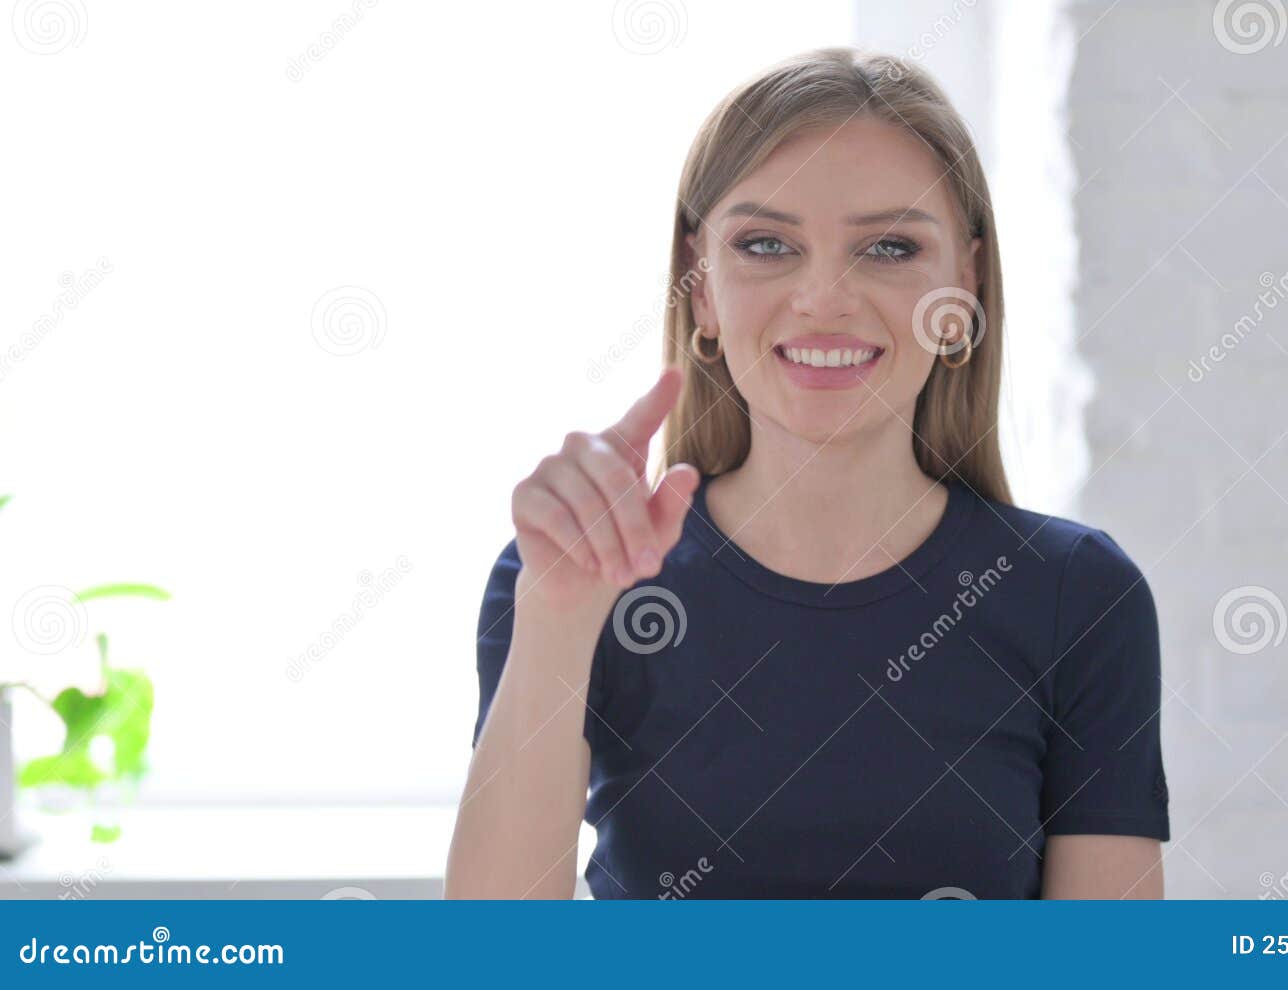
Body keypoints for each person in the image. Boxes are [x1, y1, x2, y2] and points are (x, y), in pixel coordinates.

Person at [445, 46, 1169, 900]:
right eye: (765, 244)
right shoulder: (569, 575)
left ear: (964, 285)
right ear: (701, 287)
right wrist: (561, 620)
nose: (825, 299)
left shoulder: (1078, 598)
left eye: (890, 247)